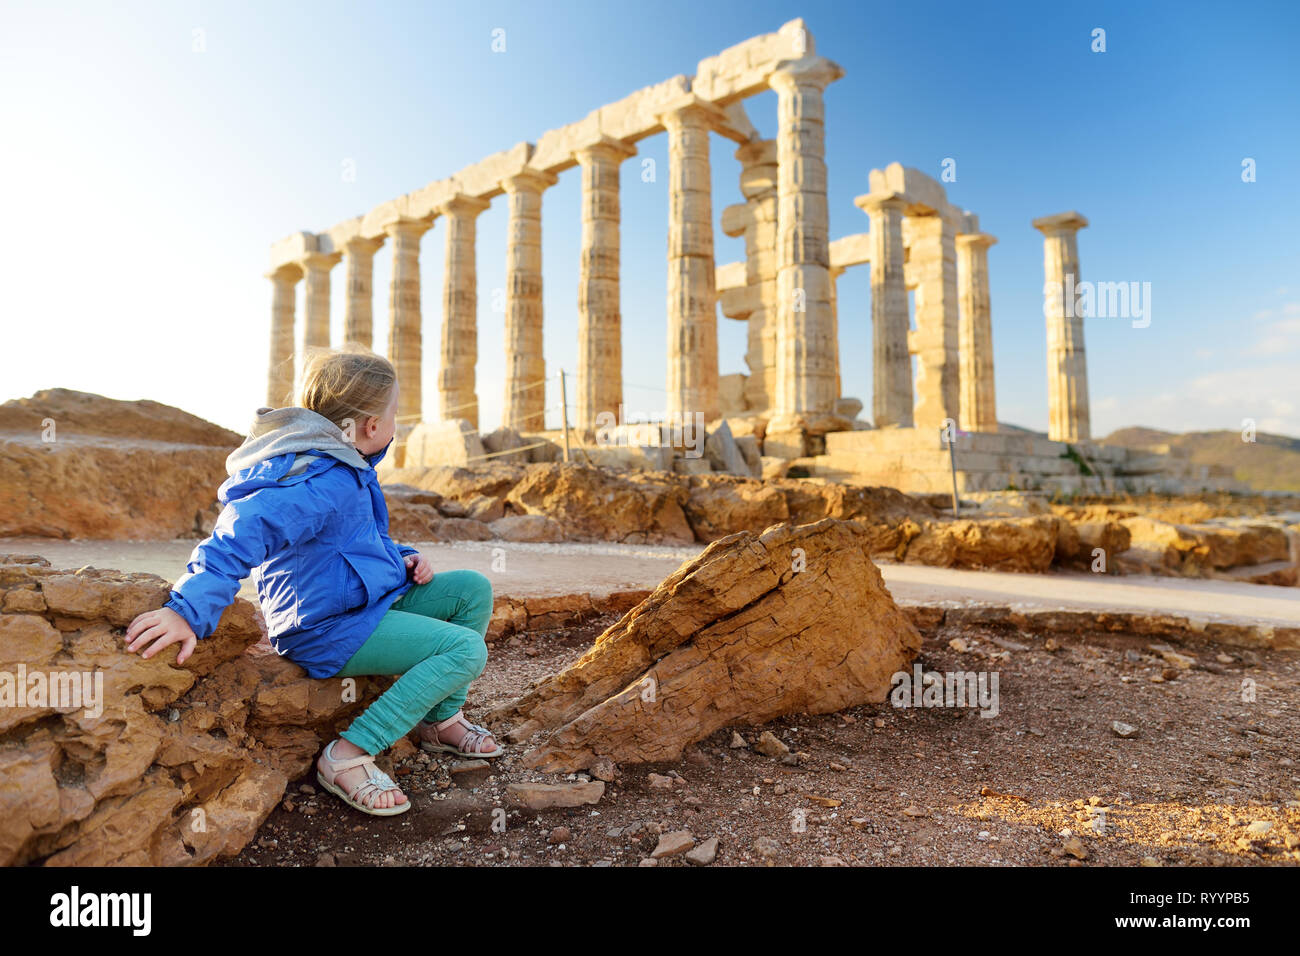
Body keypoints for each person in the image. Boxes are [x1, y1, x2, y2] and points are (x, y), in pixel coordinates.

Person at [123, 344, 501, 817]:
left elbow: (357, 542)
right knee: (465, 650)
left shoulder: (347, 466)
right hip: (324, 628)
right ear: (371, 427)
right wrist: (187, 610)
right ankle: (348, 756)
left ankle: (439, 721)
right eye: (395, 413)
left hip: (365, 607)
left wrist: (402, 558)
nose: (397, 423)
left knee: (472, 588)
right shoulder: (321, 477)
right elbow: (243, 530)